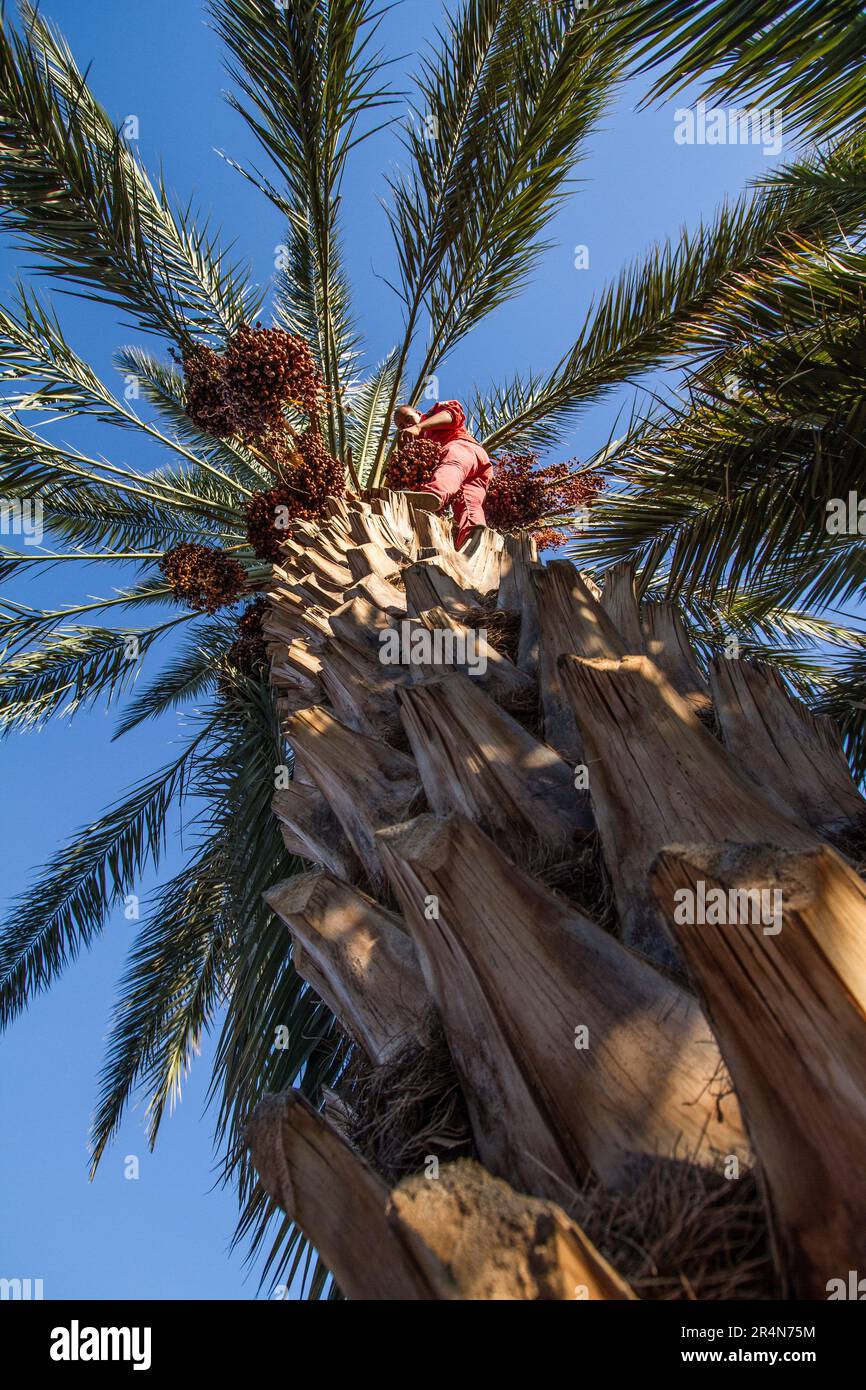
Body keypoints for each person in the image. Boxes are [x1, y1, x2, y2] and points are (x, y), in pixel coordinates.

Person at [394, 399, 492, 547]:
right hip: (478, 471)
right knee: (468, 503)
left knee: (451, 463)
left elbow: (453, 414)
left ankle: (434, 495)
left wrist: (419, 426)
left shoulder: (430, 417)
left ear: (419, 413)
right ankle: (473, 538)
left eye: (409, 419)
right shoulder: (420, 447)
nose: (407, 426)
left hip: (464, 449)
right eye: (401, 426)